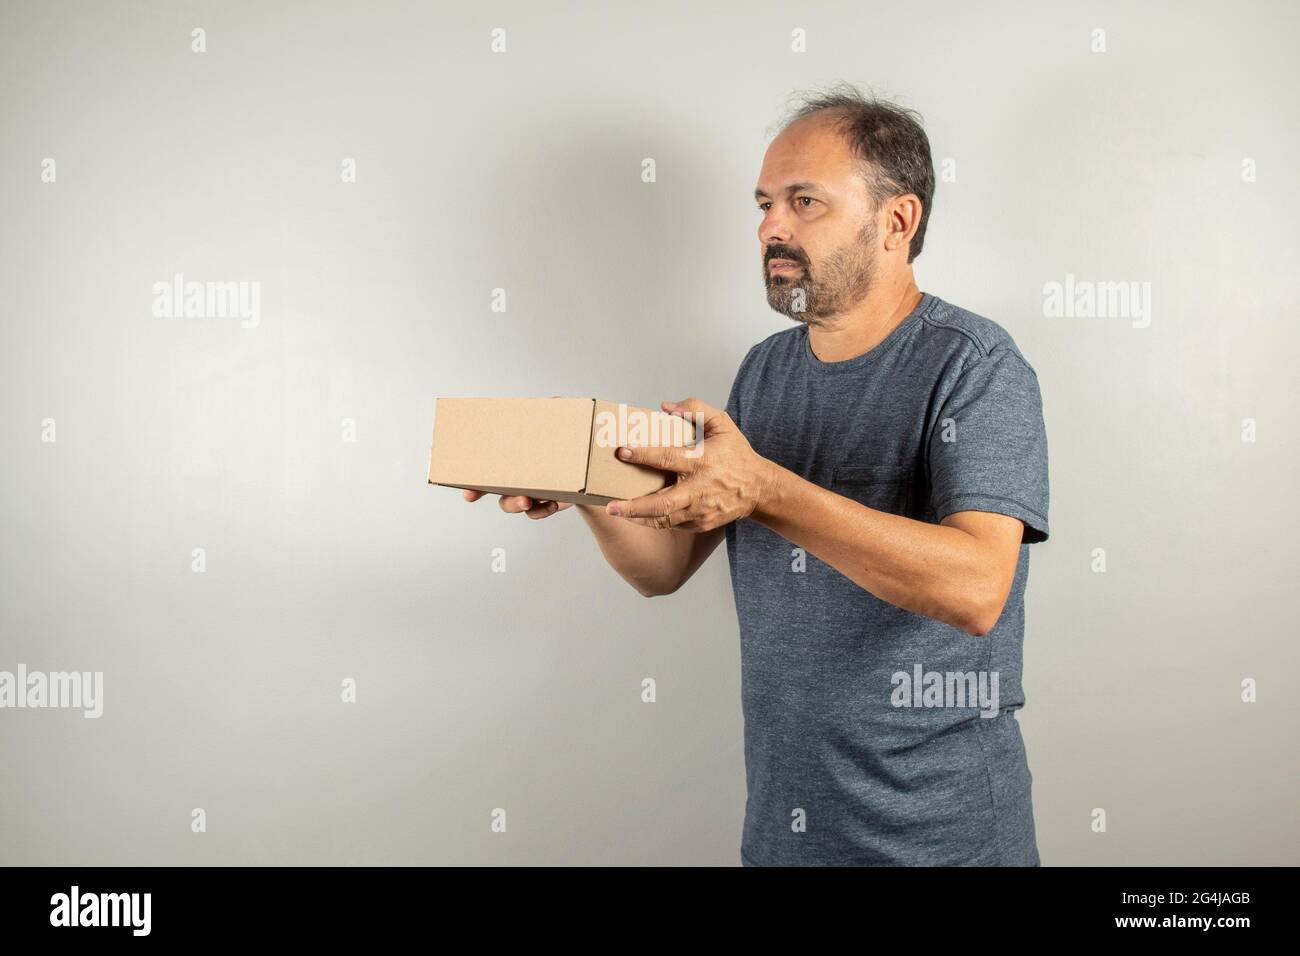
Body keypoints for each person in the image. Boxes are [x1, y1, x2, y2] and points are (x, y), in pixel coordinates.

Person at [464, 84, 1050, 866]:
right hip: (787, 832)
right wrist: (583, 483)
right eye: (765, 203)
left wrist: (767, 490)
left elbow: (978, 587)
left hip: (940, 841)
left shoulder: (974, 365)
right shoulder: (765, 373)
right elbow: (663, 569)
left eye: (805, 201)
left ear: (897, 221)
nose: (771, 227)